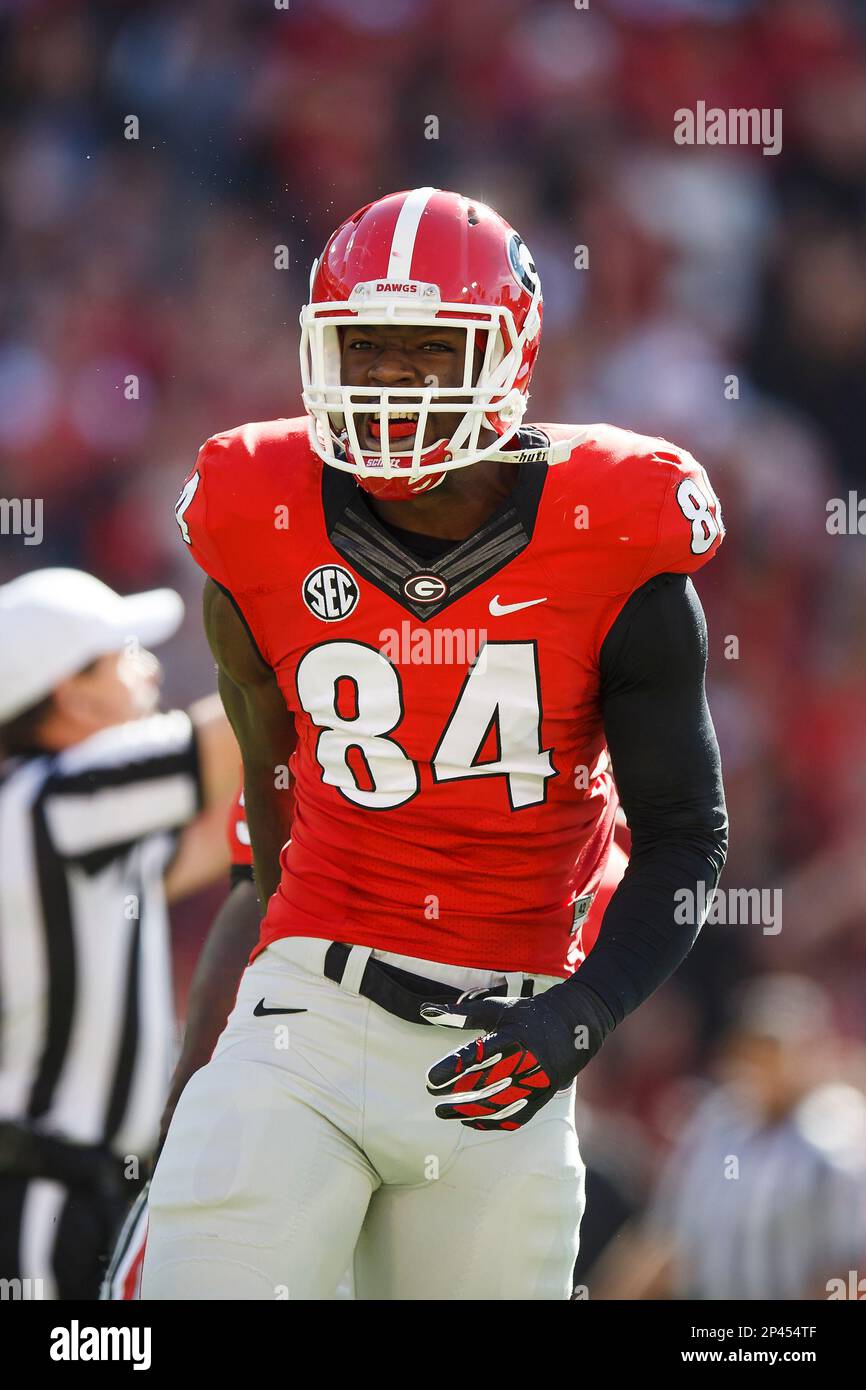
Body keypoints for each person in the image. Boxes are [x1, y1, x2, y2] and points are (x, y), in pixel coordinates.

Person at [143, 187, 728, 1301]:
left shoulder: (616, 527)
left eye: (429, 351)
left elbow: (685, 838)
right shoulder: (249, 505)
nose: (390, 385)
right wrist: (233, 1026)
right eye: (365, 349)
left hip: (504, 1039)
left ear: (508, 353)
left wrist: (582, 1011)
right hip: (307, 1013)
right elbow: (269, 801)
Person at [0, 567, 238, 1298]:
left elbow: (212, 843)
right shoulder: (66, 792)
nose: (151, 666)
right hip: (45, 1189)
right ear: (70, 691)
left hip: (86, 1189)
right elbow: (237, 735)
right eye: (126, 653)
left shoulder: (53, 808)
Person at [588, 976, 866, 1300]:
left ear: (812, 1051)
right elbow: (663, 1242)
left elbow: (855, 1269)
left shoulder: (836, 1137)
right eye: (756, 1050)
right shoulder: (715, 1127)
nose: (766, 1066)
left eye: (778, 1050)